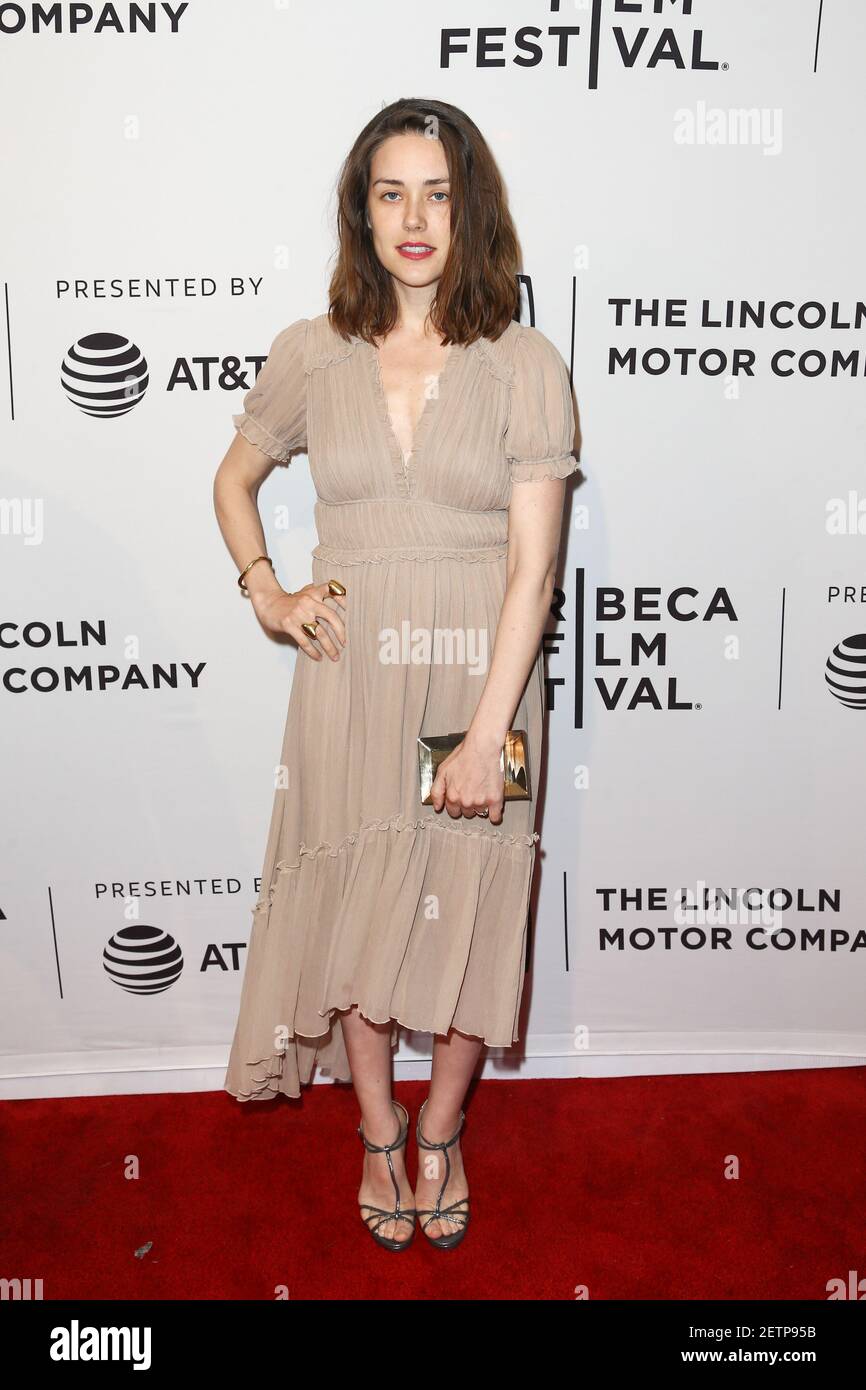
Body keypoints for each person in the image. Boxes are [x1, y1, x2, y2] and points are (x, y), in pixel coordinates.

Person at [213, 97, 579, 1252]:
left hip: (486, 678)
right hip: (349, 676)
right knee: (358, 902)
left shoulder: (524, 361)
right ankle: (377, 1127)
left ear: (469, 210)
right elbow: (232, 480)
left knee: (475, 902)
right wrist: (268, 591)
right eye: (389, 192)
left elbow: (531, 571)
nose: (414, 218)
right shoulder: (309, 353)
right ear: (359, 212)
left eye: (436, 192)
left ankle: (442, 1124)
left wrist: (483, 733)